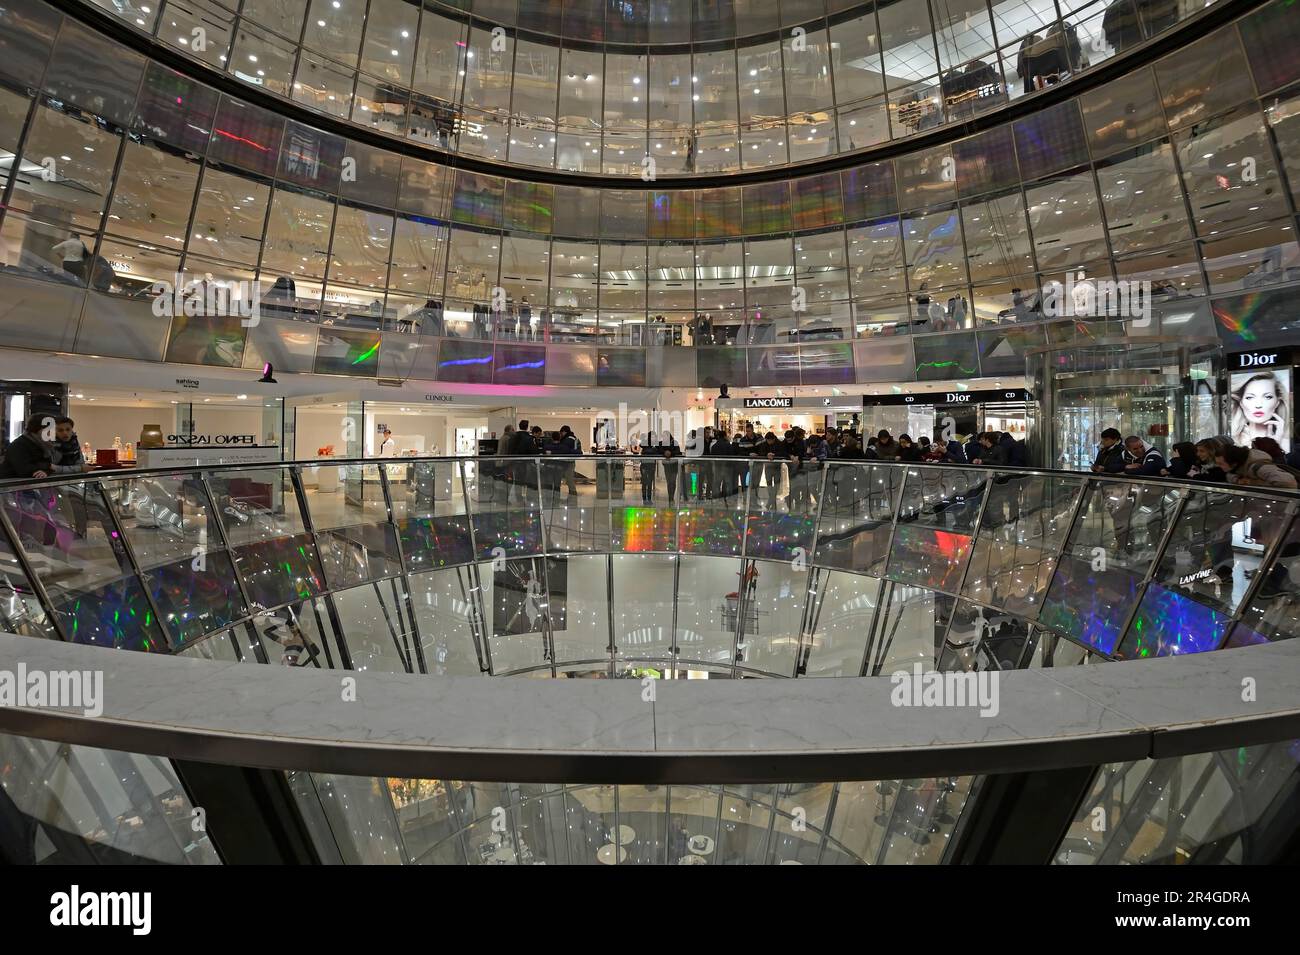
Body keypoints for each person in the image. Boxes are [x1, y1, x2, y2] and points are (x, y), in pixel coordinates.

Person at [1230, 370, 1290, 450]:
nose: (1258, 405)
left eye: (1267, 397)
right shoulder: (1232, 442)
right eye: (1250, 397)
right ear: (1241, 403)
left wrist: (1275, 444)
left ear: (1277, 403)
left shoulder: (1286, 445)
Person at [1218, 443, 1299, 489]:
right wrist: (1237, 480)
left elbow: (1289, 482)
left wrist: (1253, 483)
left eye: (1221, 463)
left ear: (1234, 463)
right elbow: (1229, 475)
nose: (1218, 466)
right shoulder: (1240, 467)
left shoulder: (1259, 468)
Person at [0, 415, 53, 479]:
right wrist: (47, 468)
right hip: (10, 484)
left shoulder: (42, 445)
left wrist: (46, 471)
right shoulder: (19, 445)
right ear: (38, 429)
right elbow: (25, 470)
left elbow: (50, 466)